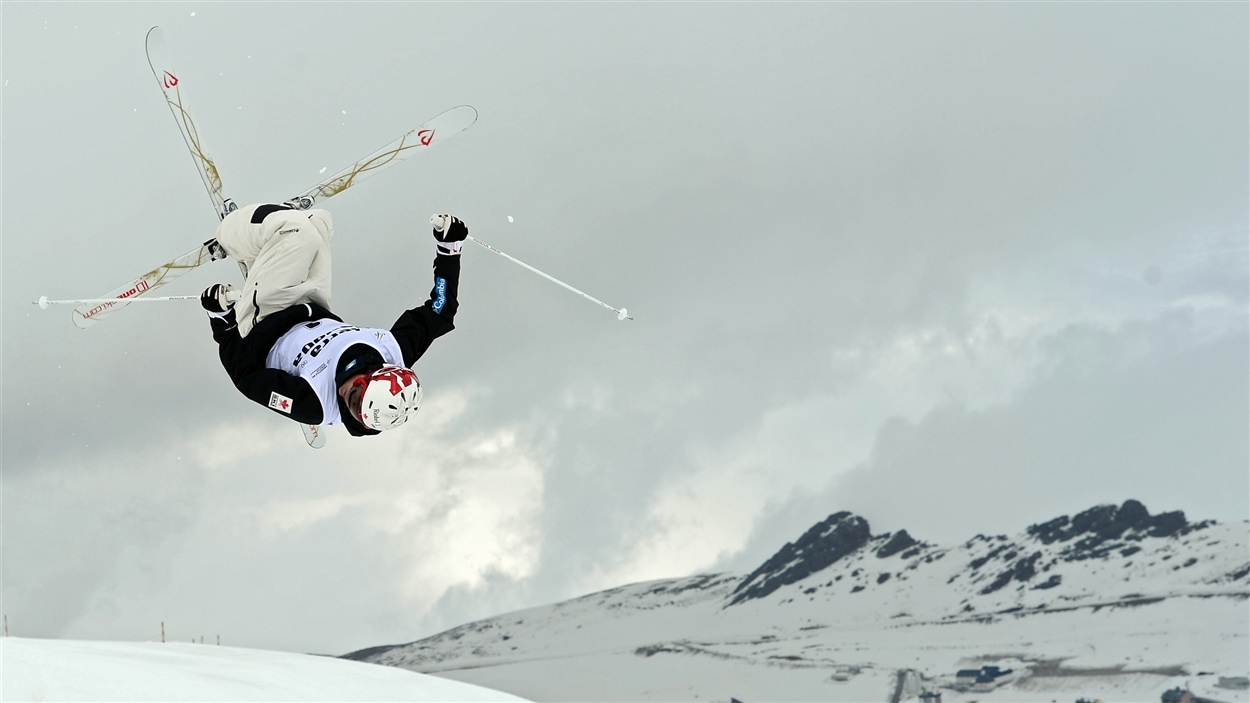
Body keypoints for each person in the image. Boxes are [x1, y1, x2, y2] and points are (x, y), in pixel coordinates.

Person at [199, 202, 467, 436]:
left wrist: (222, 321)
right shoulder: (393, 352)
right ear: (374, 374)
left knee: (297, 232)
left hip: (265, 320)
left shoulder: (315, 403)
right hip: (311, 305)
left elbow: (245, 378)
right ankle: (265, 248)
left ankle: (229, 232)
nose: (342, 397)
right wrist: (449, 249)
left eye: (351, 407)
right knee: (319, 221)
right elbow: (441, 311)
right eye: (353, 396)